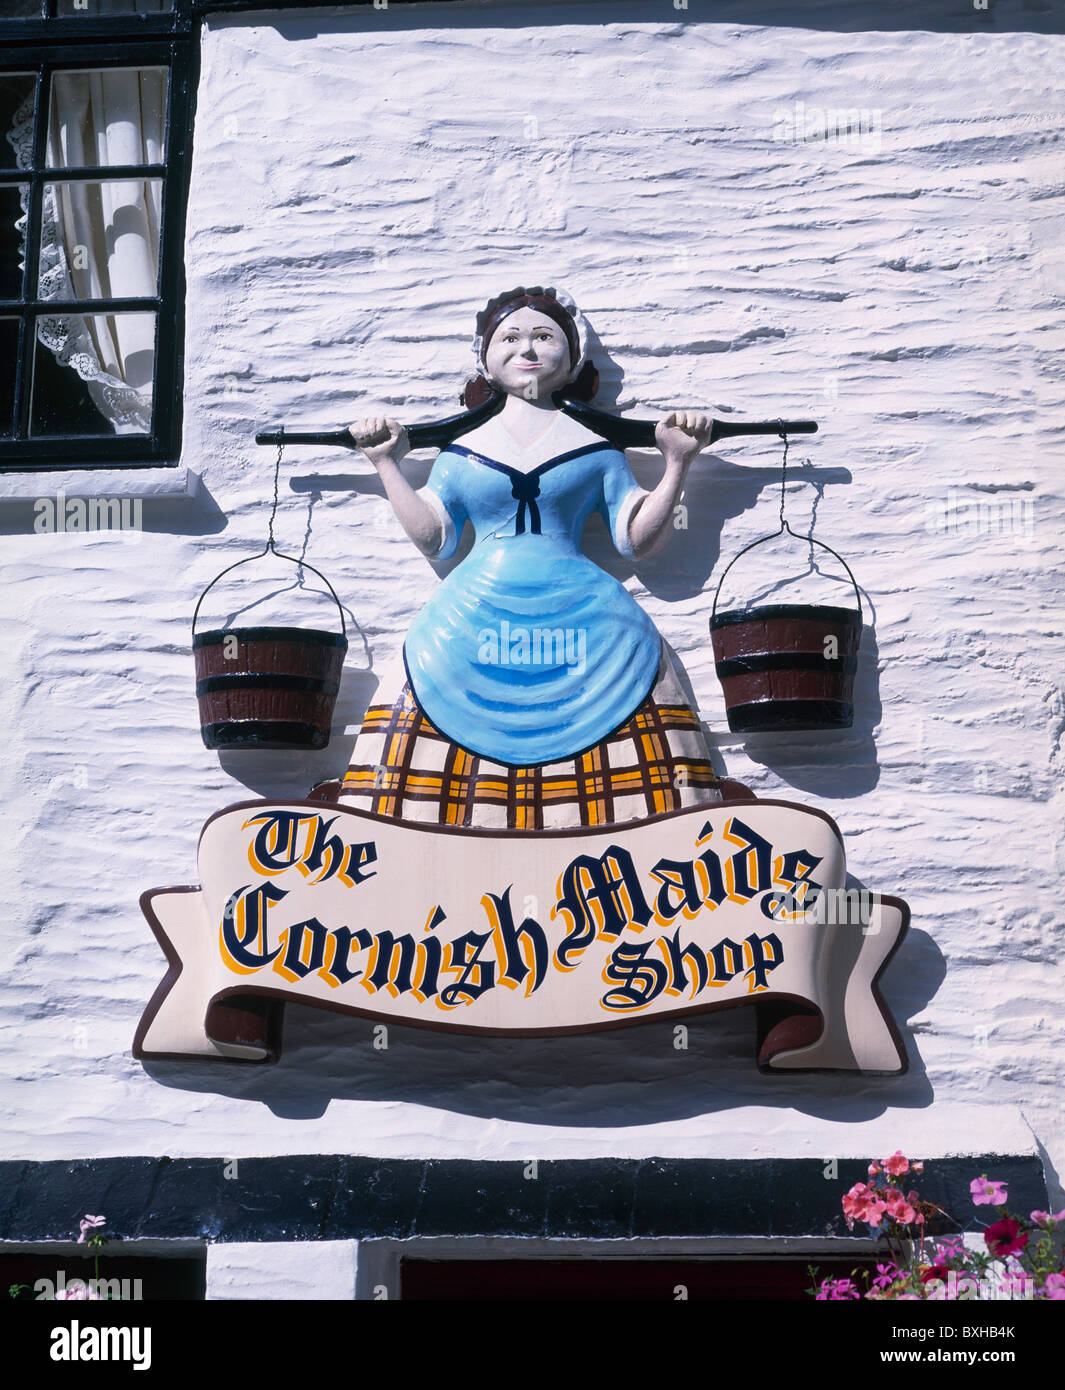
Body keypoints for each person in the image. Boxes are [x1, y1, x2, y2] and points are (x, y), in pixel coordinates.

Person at [338, 285, 726, 829]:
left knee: (631, 722)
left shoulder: (595, 446)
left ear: (571, 357)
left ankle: (641, 844)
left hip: (588, 623)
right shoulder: (464, 448)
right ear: (486, 359)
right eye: (510, 337)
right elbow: (437, 538)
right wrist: (385, 465)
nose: (527, 349)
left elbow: (634, 539)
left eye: (544, 336)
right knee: (421, 716)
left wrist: (677, 464)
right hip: (470, 619)